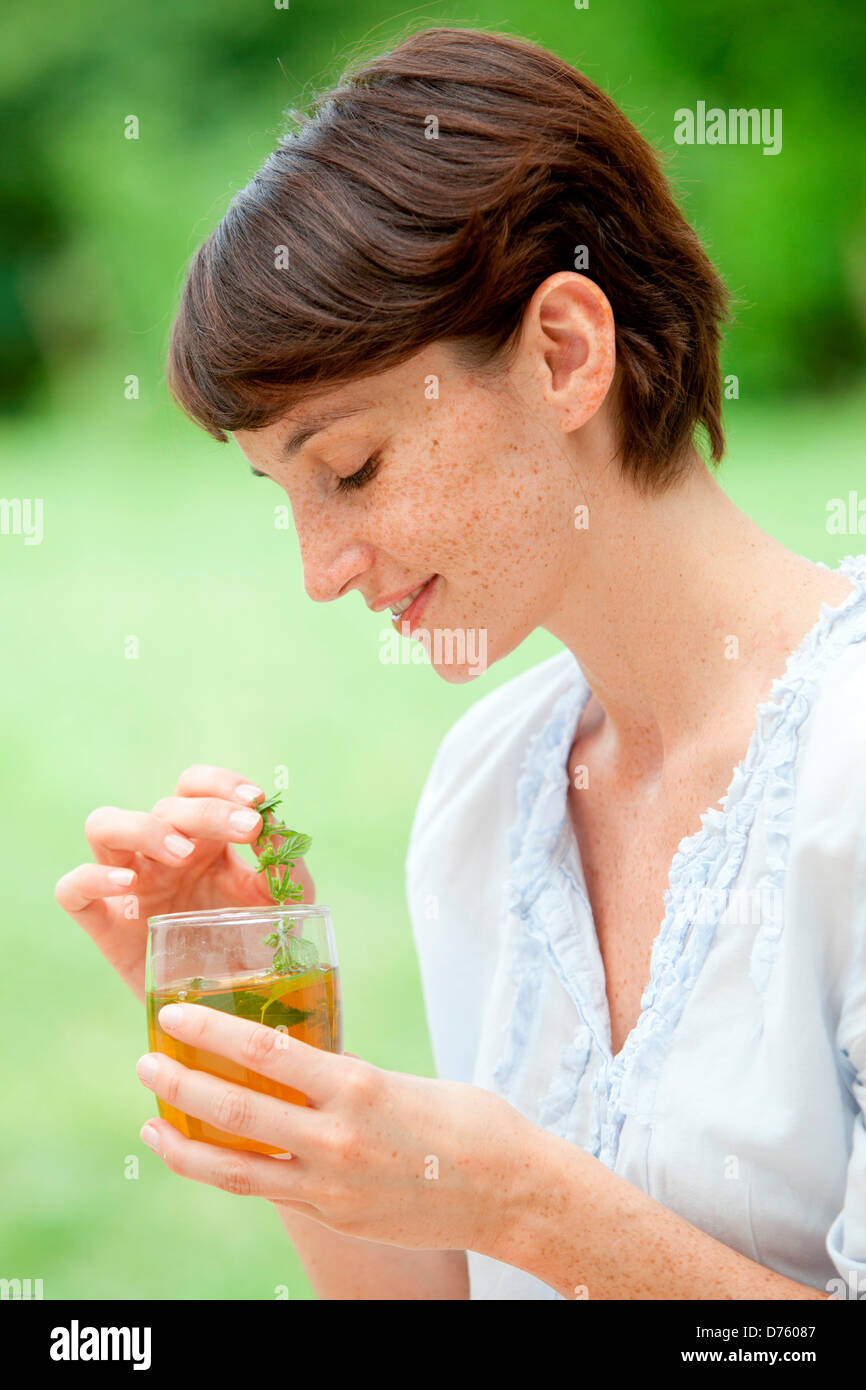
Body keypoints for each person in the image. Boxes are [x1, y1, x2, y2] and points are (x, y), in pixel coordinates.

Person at [54, 25, 865, 1300]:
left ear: (563, 353)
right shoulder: (488, 792)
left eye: (349, 469)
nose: (320, 570)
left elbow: (533, 1230)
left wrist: (531, 1203)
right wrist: (275, 1083)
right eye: (286, 495)